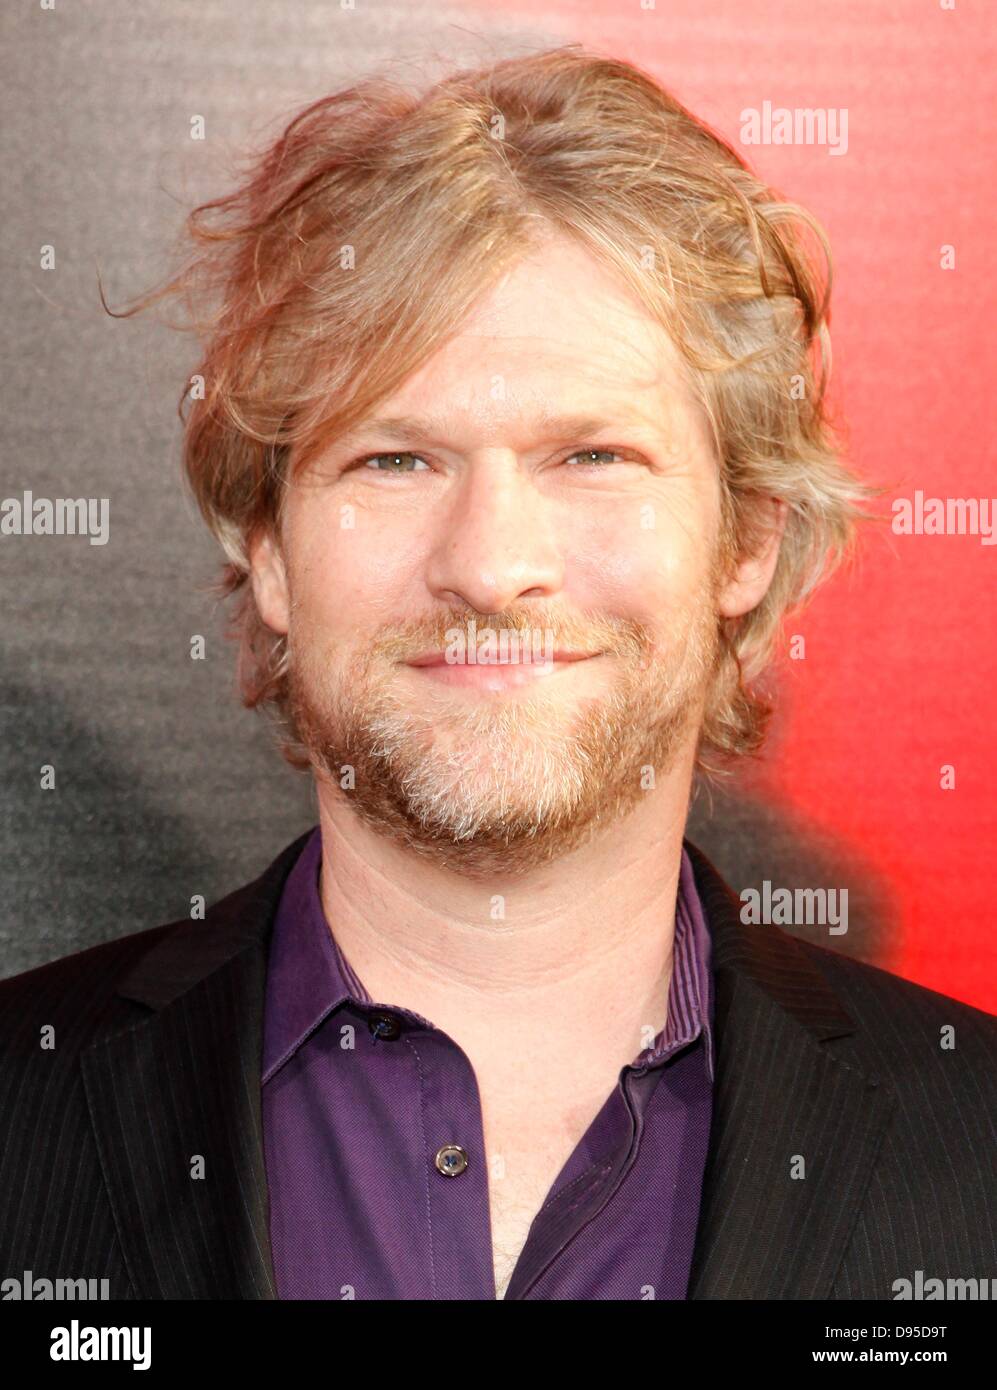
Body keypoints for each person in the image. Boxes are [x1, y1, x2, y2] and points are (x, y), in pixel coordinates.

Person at [1, 44, 993, 1302]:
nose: (489, 564)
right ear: (269, 551)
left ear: (746, 537)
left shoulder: (976, 1152)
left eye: (591, 456)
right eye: (396, 460)